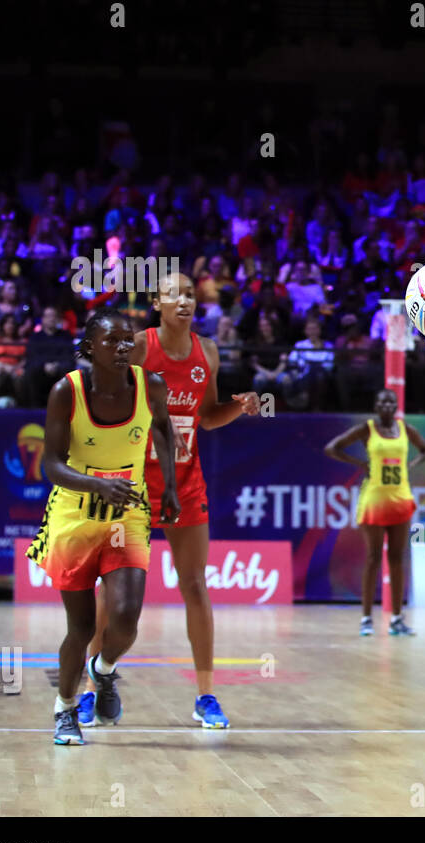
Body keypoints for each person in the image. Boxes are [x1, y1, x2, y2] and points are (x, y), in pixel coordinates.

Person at [81, 275, 261, 730]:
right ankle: (91, 687)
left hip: (186, 483)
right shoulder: (139, 347)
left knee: (196, 585)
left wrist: (239, 407)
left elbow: (206, 416)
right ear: (157, 303)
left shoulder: (209, 352)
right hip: (134, 485)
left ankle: (206, 696)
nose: (184, 300)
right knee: (112, 591)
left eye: (190, 294)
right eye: (173, 294)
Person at [26, 307, 180, 744]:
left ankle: (104, 669)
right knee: (81, 627)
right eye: (112, 341)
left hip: (127, 510)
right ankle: (65, 709)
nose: (122, 348)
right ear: (90, 347)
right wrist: (97, 484)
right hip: (74, 511)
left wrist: (168, 485)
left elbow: (165, 430)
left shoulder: (149, 385)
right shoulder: (66, 391)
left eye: (128, 340)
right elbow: (51, 466)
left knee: (127, 618)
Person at [324, 390, 425, 636]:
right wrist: (361, 464)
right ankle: (365, 619)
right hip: (374, 499)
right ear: (376, 405)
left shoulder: (406, 430)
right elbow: (332, 448)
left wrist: (410, 466)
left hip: (400, 497)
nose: (386, 405)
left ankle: (396, 619)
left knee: (397, 558)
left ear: (396, 406)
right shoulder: (367, 429)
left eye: (390, 402)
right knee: (372, 558)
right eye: (382, 401)